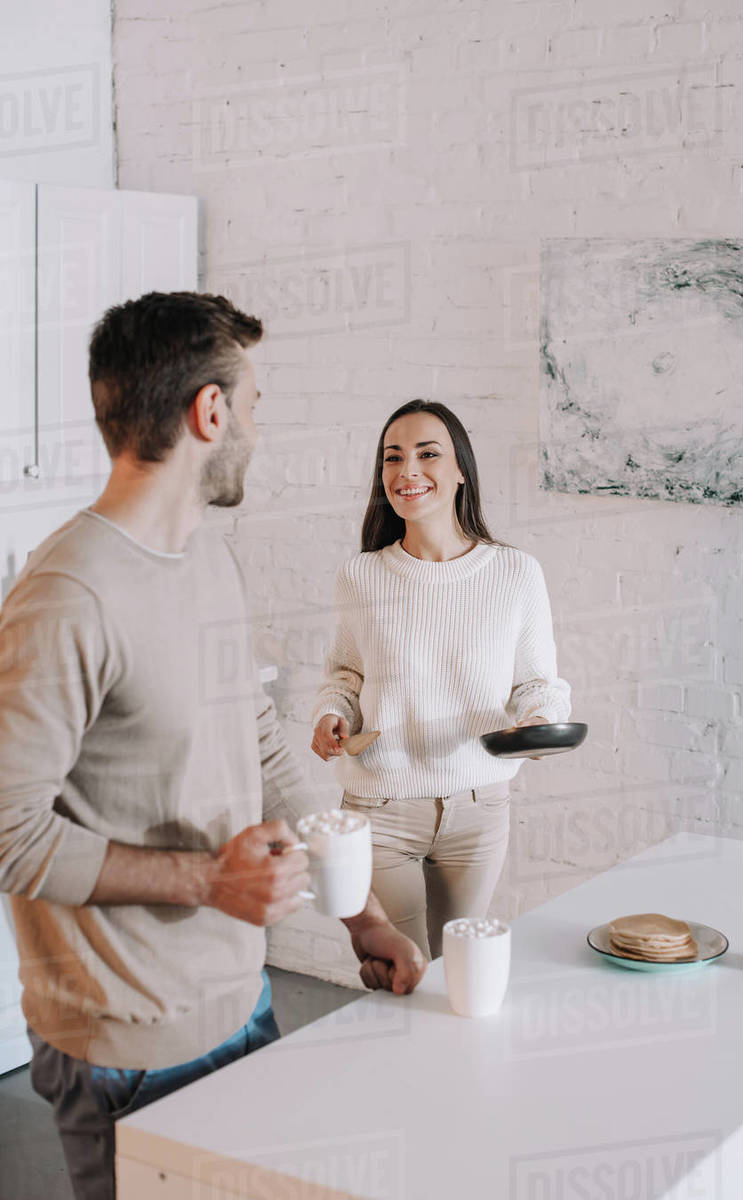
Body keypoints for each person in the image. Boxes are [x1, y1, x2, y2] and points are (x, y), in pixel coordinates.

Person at [0, 292, 425, 1200]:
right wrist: (208, 882)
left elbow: (259, 743)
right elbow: (9, 833)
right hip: (126, 1049)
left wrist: (360, 915)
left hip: (241, 1001)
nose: (257, 427)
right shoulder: (64, 597)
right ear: (210, 411)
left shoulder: (205, 557)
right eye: (255, 402)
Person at [311, 400, 570, 960]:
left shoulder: (516, 572)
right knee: (400, 969)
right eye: (392, 458)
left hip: (478, 804)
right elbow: (346, 676)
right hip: (381, 808)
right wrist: (332, 715)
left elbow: (537, 682)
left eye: (428, 454)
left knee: (458, 971)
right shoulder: (362, 574)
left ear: (460, 471)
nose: (407, 471)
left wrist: (539, 721)